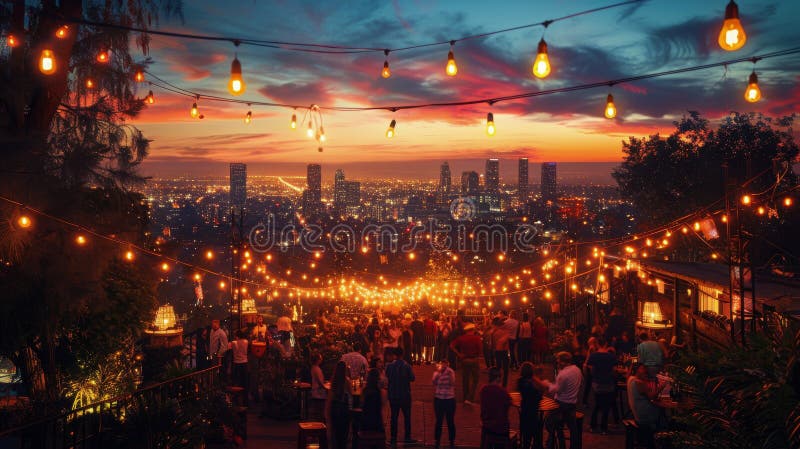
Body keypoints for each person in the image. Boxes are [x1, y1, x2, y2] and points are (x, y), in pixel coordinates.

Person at [543, 352, 583, 449]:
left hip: (560, 404)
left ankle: (556, 442)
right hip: (572, 403)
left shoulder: (563, 374)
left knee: (548, 421)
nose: (557, 363)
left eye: (558, 361)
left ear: (563, 362)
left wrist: (547, 384)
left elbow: (556, 390)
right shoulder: (577, 370)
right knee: (573, 428)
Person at [627, 364, 667, 449]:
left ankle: (652, 438)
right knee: (663, 416)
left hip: (636, 413)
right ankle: (659, 440)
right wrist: (662, 387)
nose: (645, 371)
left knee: (661, 412)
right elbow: (652, 396)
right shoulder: (639, 382)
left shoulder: (630, 379)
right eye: (642, 369)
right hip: (644, 414)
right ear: (637, 370)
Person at [385, 347, 416, 446]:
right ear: (402, 355)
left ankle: (393, 437)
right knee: (407, 417)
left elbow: (387, 376)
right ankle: (407, 437)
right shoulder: (406, 366)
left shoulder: (389, 366)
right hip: (404, 394)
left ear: (394, 355)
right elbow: (412, 378)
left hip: (393, 394)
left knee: (394, 417)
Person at [586, 338, 617, 435]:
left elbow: (589, 368)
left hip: (597, 383)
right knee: (606, 406)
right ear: (606, 344)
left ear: (597, 344)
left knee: (597, 404)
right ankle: (604, 428)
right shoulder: (611, 356)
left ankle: (593, 426)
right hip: (608, 382)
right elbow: (614, 370)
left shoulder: (594, 356)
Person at [449, 323, 482, 404]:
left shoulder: (461, 338)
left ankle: (465, 397)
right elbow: (480, 350)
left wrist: (459, 354)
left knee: (465, 379)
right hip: (474, 360)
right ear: (472, 330)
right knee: (475, 379)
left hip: (464, 360)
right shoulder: (477, 338)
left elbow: (451, 345)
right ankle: (470, 398)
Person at [479, 367, 511, 446]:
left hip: (487, 425)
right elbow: (507, 405)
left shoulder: (483, 390)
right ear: (498, 378)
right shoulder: (503, 392)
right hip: (500, 427)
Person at [518, 362, 546, 449]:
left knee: (526, 437)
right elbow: (540, 395)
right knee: (537, 435)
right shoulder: (534, 386)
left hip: (524, 413)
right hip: (533, 414)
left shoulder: (520, 382)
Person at [326, 361, 352, 449]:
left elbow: (330, 398)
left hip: (335, 408)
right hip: (344, 409)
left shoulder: (333, 381)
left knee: (335, 433)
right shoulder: (347, 381)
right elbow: (350, 395)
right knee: (343, 434)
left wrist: (327, 413)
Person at [432, 360, 456, 449]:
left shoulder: (450, 372)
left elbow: (452, 382)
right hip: (440, 398)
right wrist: (439, 373)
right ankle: (437, 441)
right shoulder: (437, 372)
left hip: (448, 398)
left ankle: (451, 441)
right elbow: (434, 382)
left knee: (449, 421)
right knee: (439, 421)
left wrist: (444, 374)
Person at [360, 368, 386, 434]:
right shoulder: (380, 392)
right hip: (377, 422)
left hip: (365, 422)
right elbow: (381, 409)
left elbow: (362, 405)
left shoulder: (365, 391)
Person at [230, 330, 249, 402]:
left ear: (237, 336)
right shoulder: (246, 342)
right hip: (244, 363)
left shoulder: (233, 343)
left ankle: (236, 399)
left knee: (237, 381)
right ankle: (245, 399)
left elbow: (228, 348)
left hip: (236, 364)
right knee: (245, 381)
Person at [491, 317, 510, 387]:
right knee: (506, 369)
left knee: (498, 367)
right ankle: (504, 384)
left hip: (497, 351)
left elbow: (493, 344)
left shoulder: (494, 333)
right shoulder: (506, 333)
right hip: (504, 352)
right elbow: (506, 343)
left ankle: (497, 382)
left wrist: (493, 351)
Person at [310, 352, 327, 421]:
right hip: (318, 393)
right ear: (317, 360)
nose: (322, 359)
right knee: (320, 410)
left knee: (317, 410)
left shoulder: (314, 368)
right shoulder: (317, 369)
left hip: (315, 391)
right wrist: (325, 388)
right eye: (320, 358)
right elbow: (320, 382)